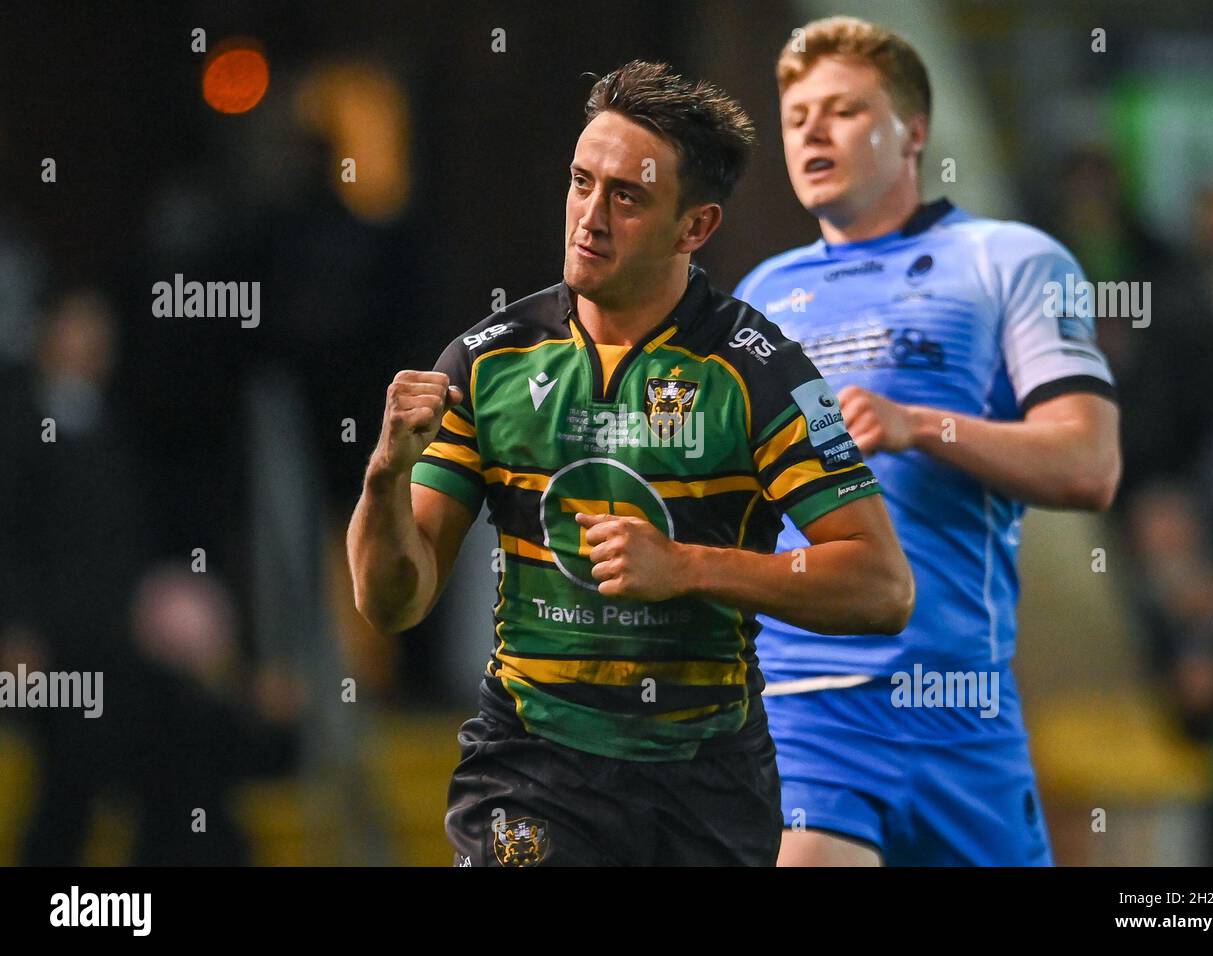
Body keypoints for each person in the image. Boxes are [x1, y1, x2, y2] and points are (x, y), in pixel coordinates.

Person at [346, 59, 913, 867]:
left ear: (696, 227)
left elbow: (882, 587)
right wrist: (385, 479)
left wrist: (684, 565)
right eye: (582, 183)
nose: (590, 217)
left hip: (705, 780)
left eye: (627, 197)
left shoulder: (762, 372)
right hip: (531, 766)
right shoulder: (487, 361)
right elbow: (392, 604)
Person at [734, 17, 1121, 866]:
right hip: (810, 704)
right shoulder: (758, 298)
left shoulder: (1009, 262)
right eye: (797, 115)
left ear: (912, 131)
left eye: (841, 110)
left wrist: (925, 427)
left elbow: (1089, 465)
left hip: (965, 710)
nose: (812, 132)